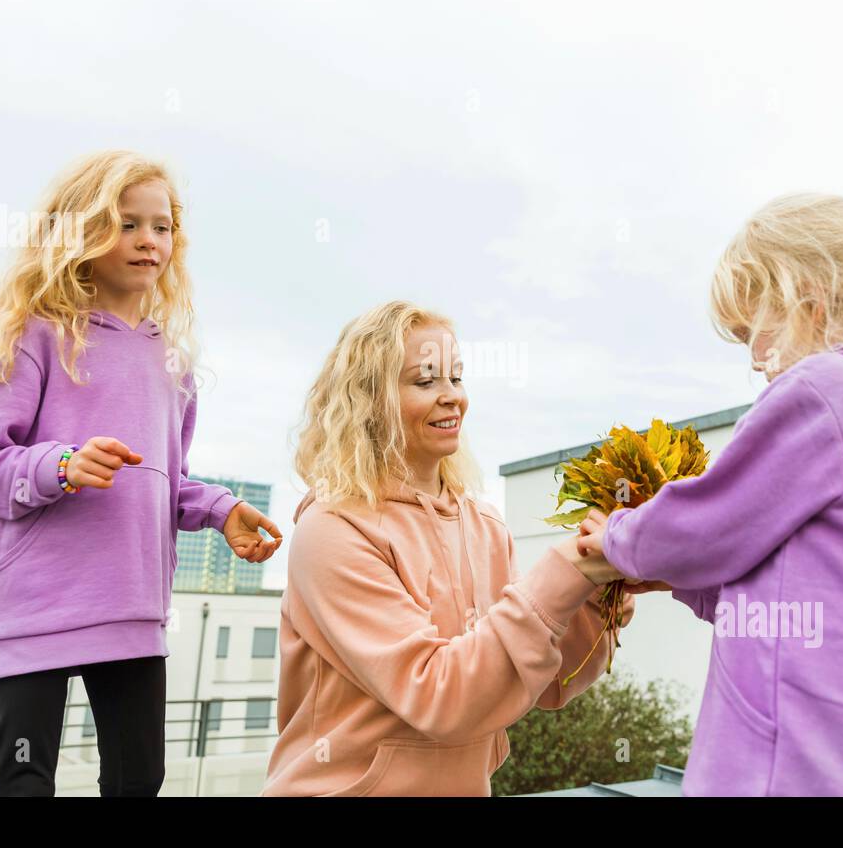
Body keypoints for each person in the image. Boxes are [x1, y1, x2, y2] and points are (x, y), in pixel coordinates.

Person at [579, 192, 843, 796]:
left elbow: (709, 524)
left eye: (754, 330)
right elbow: (787, 582)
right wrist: (680, 579)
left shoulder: (827, 389)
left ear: (808, 302)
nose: (755, 360)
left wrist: (620, 537)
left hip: (798, 768)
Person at [0, 150, 281, 796]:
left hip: (132, 610)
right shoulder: (35, 336)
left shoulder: (172, 364)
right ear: (81, 232)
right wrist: (62, 466)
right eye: (127, 224)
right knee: (22, 783)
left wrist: (220, 510)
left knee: (137, 782)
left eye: (162, 226)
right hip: (37, 613)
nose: (149, 241)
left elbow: (160, 480)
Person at [262, 301, 639, 796]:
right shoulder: (333, 529)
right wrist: (568, 570)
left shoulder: (484, 525)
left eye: (456, 379)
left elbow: (544, 682)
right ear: (369, 400)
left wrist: (595, 597)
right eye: (426, 381)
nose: (452, 398)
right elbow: (442, 697)